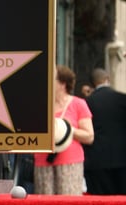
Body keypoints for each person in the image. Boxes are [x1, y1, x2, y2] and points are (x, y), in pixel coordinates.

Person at [33, 65, 94, 195]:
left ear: (62, 84)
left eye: (51, 80)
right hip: (43, 160)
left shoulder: (77, 104)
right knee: (45, 204)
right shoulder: (41, 104)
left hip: (70, 161)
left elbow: (89, 136)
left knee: (69, 203)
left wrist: (66, 130)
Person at [83, 68, 126, 195]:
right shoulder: (122, 99)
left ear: (92, 83)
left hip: (96, 160)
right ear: (108, 79)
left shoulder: (88, 101)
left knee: (100, 204)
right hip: (122, 157)